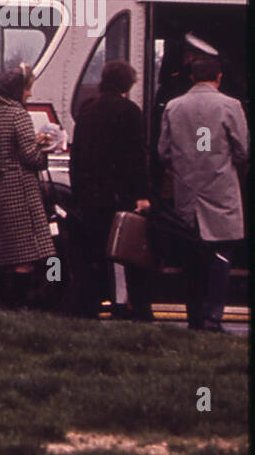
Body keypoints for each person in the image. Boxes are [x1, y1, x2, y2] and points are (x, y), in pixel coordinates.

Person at [158, 53, 248, 332]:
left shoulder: (173, 106)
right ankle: (214, 317)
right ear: (218, 78)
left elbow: (163, 152)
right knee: (221, 256)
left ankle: (194, 317)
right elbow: (243, 150)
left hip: (187, 194)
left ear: (192, 77)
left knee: (191, 260)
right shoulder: (230, 105)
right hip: (221, 193)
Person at [68, 60, 153, 321]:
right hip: (118, 194)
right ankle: (130, 307)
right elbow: (135, 158)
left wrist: (78, 190)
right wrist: (142, 194)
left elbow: (77, 155)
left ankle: (88, 305)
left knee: (92, 252)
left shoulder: (87, 110)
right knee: (124, 253)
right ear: (127, 84)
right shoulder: (129, 111)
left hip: (89, 194)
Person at [0, 64, 57, 308]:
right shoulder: (19, 115)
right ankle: (19, 305)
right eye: (27, 89)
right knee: (27, 253)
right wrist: (44, 146)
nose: (29, 94)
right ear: (17, 90)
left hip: (2, 187)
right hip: (21, 190)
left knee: (11, 251)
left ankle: (8, 304)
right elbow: (31, 158)